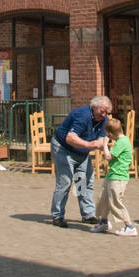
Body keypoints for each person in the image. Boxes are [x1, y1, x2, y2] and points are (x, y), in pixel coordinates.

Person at [49, 96, 111, 227]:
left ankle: (88, 214)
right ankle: (57, 215)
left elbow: (102, 138)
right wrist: (89, 145)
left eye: (107, 112)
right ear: (95, 107)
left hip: (81, 152)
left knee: (85, 181)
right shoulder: (83, 116)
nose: (104, 115)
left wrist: (100, 144)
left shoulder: (104, 120)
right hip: (63, 148)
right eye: (102, 111)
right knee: (65, 181)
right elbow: (70, 138)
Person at [91, 118, 136, 235]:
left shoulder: (122, 142)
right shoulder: (121, 140)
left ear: (110, 134)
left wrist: (105, 144)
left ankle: (129, 226)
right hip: (112, 175)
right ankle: (103, 222)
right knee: (103, 198)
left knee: (115, 201)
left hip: (119, 176)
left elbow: (108, 156)